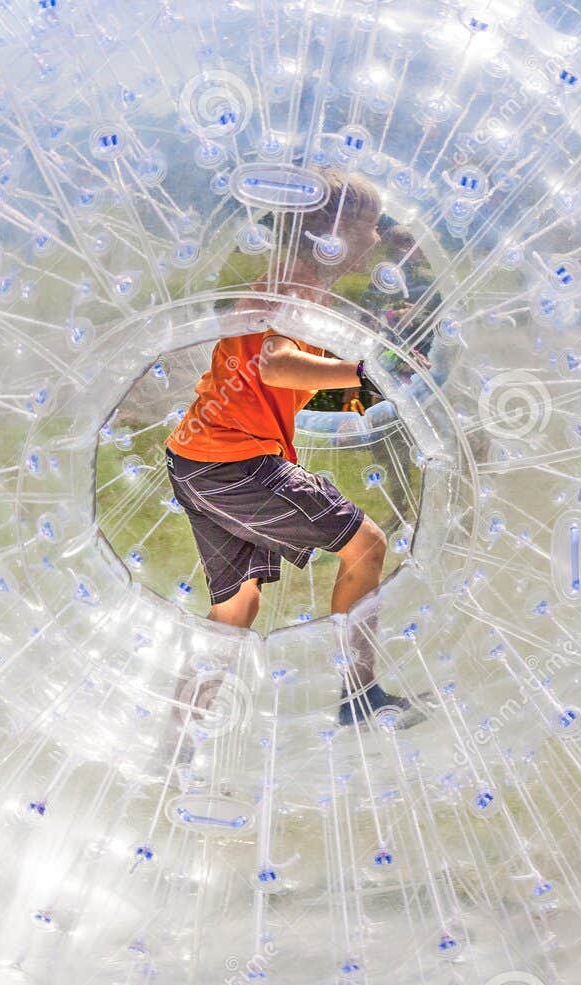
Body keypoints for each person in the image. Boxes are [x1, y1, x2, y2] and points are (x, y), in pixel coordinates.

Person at [164, 169, 419, 728]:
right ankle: (358, 696)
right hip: (235, 463)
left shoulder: (288, 281)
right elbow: (275, 365)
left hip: (196, 458)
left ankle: (178, 737)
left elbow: (265, 375)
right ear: (334, 230)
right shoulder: (291, 287)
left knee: (237, 605)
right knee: (367, 546)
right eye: (369, 226)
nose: (376, 239)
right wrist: (360, 373)